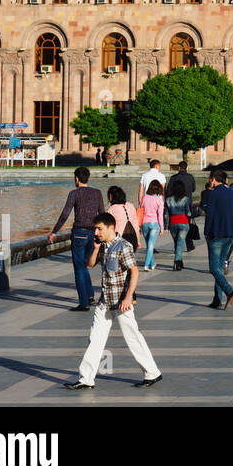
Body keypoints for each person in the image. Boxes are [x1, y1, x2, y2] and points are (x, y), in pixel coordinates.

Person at [63, 211, 162, 390]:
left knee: (132, 337)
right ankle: (86, 378)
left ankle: (152, 372)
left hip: (121, 302)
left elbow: (135, 271)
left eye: (99, 229)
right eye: (95, 229)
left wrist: (128, 296)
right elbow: (89, 265)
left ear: (111, 228)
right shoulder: (103, 246)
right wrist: (95, 248)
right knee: (95, 338)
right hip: (105, 301)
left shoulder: (123, 246)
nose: (96, 232)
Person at [48, 167, 106, 310]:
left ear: (77, 179)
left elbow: (65, 214)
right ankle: (90, 295)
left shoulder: (74, 193)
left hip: (79, 233)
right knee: (85, 265)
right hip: (93, 233)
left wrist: (54, 231)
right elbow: (102, 214)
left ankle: (84, 303)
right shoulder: (97, 193)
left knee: (79, 268)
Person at [204, 169, 233, 310]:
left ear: (214, 179)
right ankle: (217, 299)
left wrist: (206, 232)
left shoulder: (213, 194)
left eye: (210, 179)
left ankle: (229, 291)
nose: (210, 181)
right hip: (230, 234)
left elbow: (209, 215)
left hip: (216, 234)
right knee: (220, 267)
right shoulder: (232, 193)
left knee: (214, 268)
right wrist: (232, 225)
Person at [164, 180, 192, 272]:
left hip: (173, 223)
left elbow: (166, 215)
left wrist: (166, 226)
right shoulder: (186, 199)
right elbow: (188, 212)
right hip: (183, 223)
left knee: (177, 243)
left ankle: (180, 261)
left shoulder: (168, 200)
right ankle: (176, 262)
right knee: (180, 243)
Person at [138, 179, 165, 272]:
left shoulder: (144, 198)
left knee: (149, 245)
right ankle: (146, 265)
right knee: (151, 245)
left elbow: (141, 209)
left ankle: (152, 264)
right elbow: (160, 215)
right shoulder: (159, 200)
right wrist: (162, 228)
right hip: (154, 224)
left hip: (144, 223)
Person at [106, 185, 141, 251]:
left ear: (111, 196)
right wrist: (138, 241)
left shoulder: (112, 209)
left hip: (119, 239)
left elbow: (109, 227)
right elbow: (136, 225)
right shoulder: (131, 205)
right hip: (133, 238)